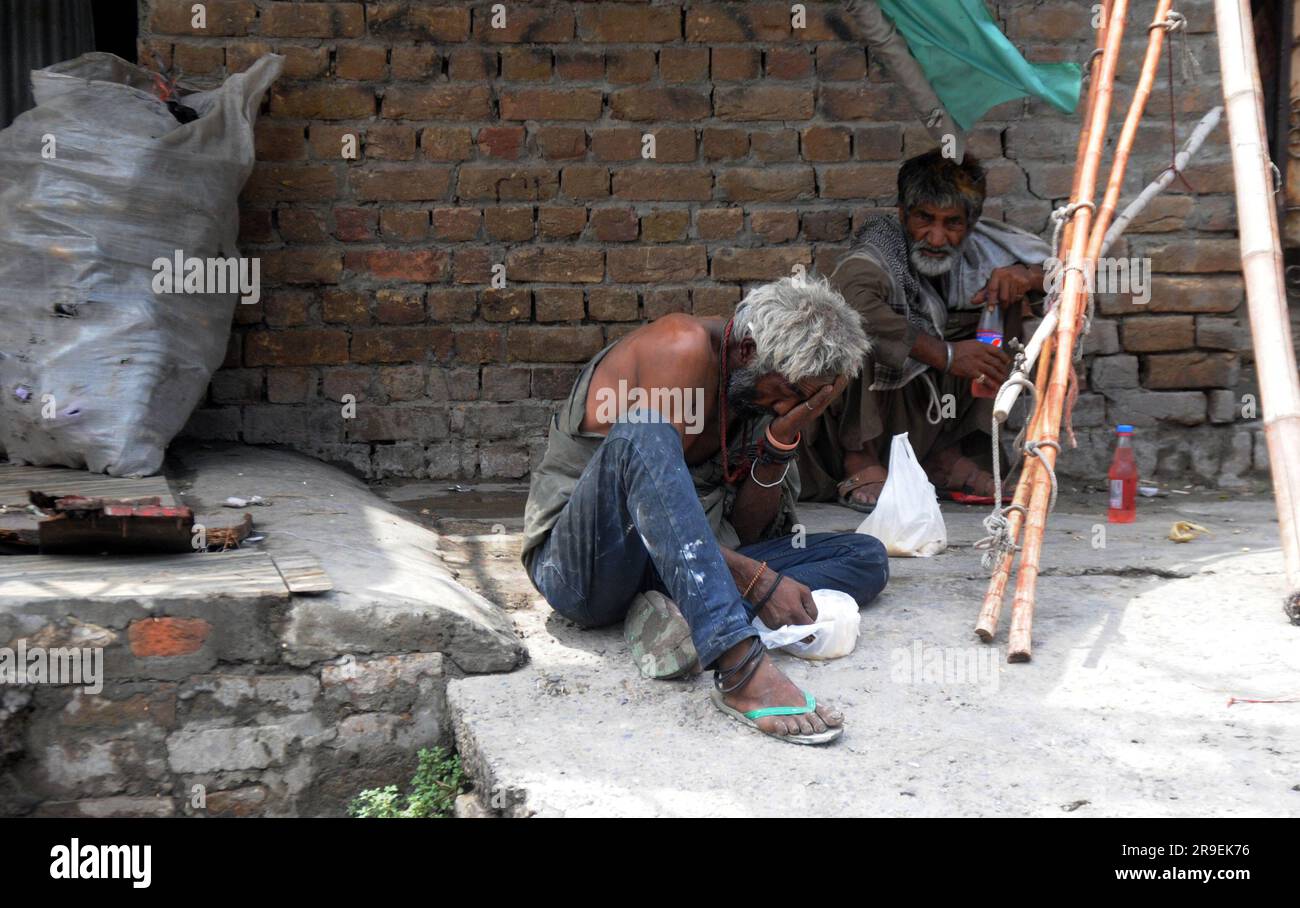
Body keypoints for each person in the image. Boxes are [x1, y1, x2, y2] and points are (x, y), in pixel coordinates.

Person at [521, 276, 888, 745]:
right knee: (645, 432)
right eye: (791, 392)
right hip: (585, 569)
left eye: (806, 400)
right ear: (747, 350)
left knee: (865, 556)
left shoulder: (764, 391)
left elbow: (746, 533)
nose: (791, 405)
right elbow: (658, 500)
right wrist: (754, 580)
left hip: (681, 571)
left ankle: (676, 614)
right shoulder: (682, 348)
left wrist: (780, 440)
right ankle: (738, 667)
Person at [797, 149, 1053, 511]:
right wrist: (947, 355)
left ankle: (946, 456)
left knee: (1002, 306)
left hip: (929, 416)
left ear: (972, 223)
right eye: (924, 219)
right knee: (855, 320)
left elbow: (1078, 283)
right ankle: (861, 458)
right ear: (903, 215)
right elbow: (850, 295)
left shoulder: (987, 251)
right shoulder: (880, 248)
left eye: (952, 223)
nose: (935, 238)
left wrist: (1025, 278)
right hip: (874, 419)